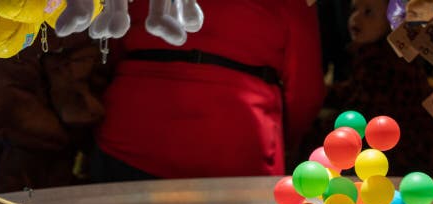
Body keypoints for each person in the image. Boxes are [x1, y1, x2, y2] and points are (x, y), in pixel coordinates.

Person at [93, 0, 326, 180]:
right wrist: (289, 144)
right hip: (235, 147)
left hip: (131, 132)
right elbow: (306, 93)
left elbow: (109, 50)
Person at [304, 0, 433, 177]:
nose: (356, 17)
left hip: (399, 152)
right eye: (354, 9)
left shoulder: (386, 63)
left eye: (368, 13)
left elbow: (366, 107)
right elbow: (357, 91)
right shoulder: (368, 54)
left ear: (391, 24)